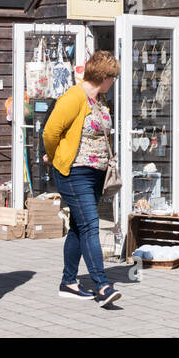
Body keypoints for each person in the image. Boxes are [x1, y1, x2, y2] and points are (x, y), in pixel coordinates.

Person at [42, 49, 122, 307]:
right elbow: (50, 132)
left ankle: (68, 282)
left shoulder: (99, 101)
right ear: (104, 75)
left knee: (78, 226)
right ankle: (102, 285)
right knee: (90, 226)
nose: (113, 82)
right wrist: (55, 157)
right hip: (74, 172)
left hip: (96, 174)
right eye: (113, 77)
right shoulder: (74, 97)